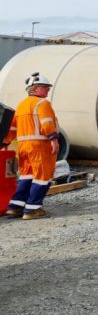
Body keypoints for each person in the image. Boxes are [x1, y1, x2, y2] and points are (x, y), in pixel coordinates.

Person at [3, 72, 60, 220]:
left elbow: (12, 128)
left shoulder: (21, 105)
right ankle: (32, 210)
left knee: (26, 176)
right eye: (45, 87)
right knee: (43, 177)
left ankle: (15, 207)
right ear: (35, 88)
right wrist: (53, 139)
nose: (48, 90)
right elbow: (47, 122)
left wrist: (5, 142)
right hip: (40, 146)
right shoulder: (43, 104)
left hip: (23, 147)